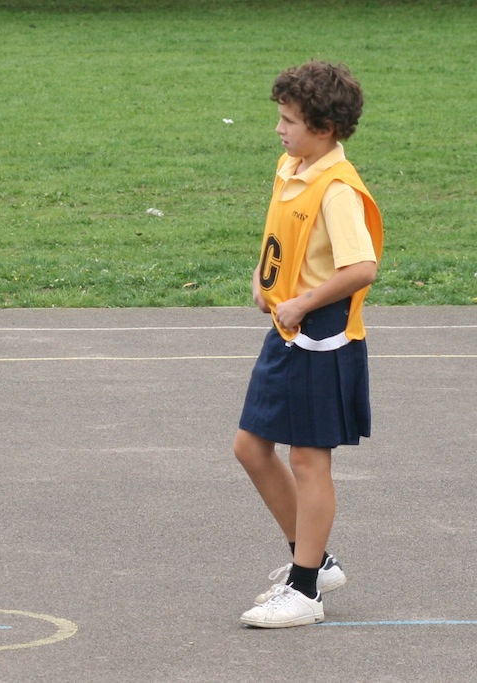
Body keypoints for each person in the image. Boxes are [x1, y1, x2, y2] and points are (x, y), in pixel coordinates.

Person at [234, 61, 383, 628]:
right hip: (286, 330)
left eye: (289, 121)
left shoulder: (338, 190)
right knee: (250, 446)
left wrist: (301, 302)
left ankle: (305, 589)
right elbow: (282, 235)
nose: (280, 129)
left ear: (323, 127)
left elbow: (362, 266)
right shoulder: (292, 166)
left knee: (308, 458)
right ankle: (316, 560)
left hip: (320, 336)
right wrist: (264, 277)